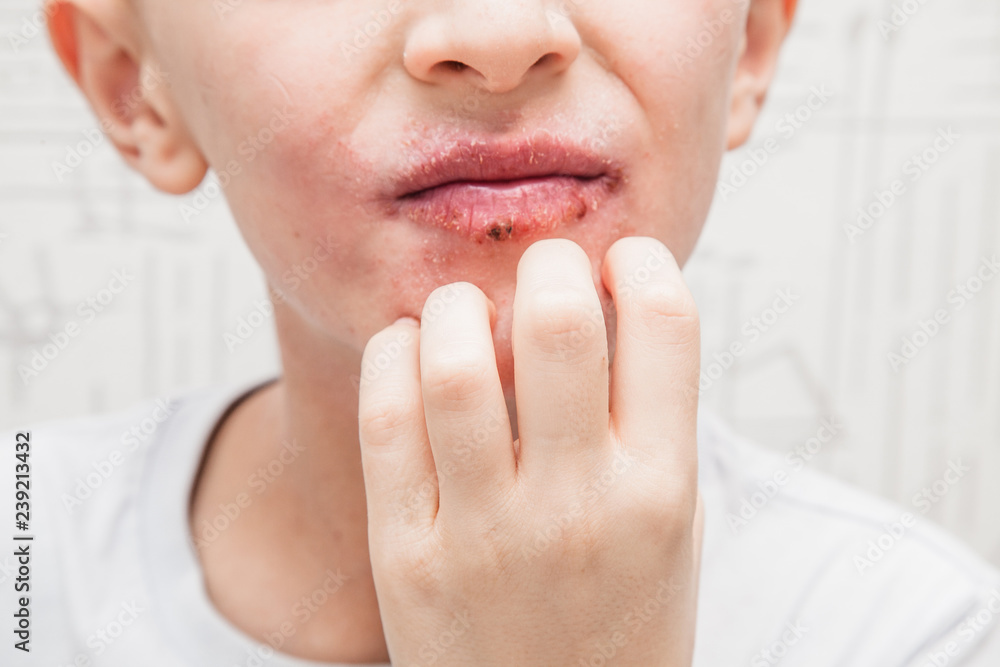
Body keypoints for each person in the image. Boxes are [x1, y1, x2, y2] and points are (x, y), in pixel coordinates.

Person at [3, 0, 998, 664]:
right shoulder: (24, 562)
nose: (498, 32)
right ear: (135, 85)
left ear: (754, 40)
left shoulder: (906, 631)